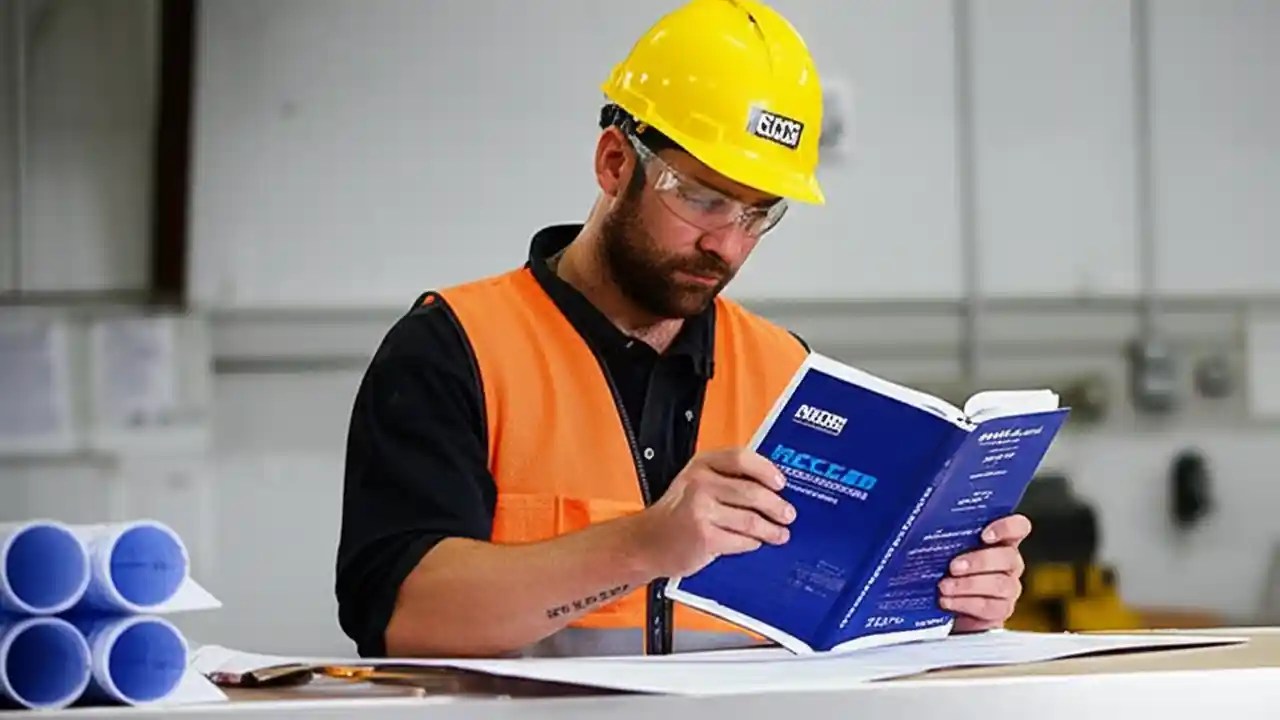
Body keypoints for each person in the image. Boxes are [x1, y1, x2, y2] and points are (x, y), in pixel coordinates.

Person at [335, 0, 1031, 659]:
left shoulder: (783, 373)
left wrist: (946, 607)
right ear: (615, 163)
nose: (726, 244)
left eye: (758, 214)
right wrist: (646, 545)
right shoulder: (455, 350)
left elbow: (821, 628)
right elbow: (402, 616)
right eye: (702, 198)